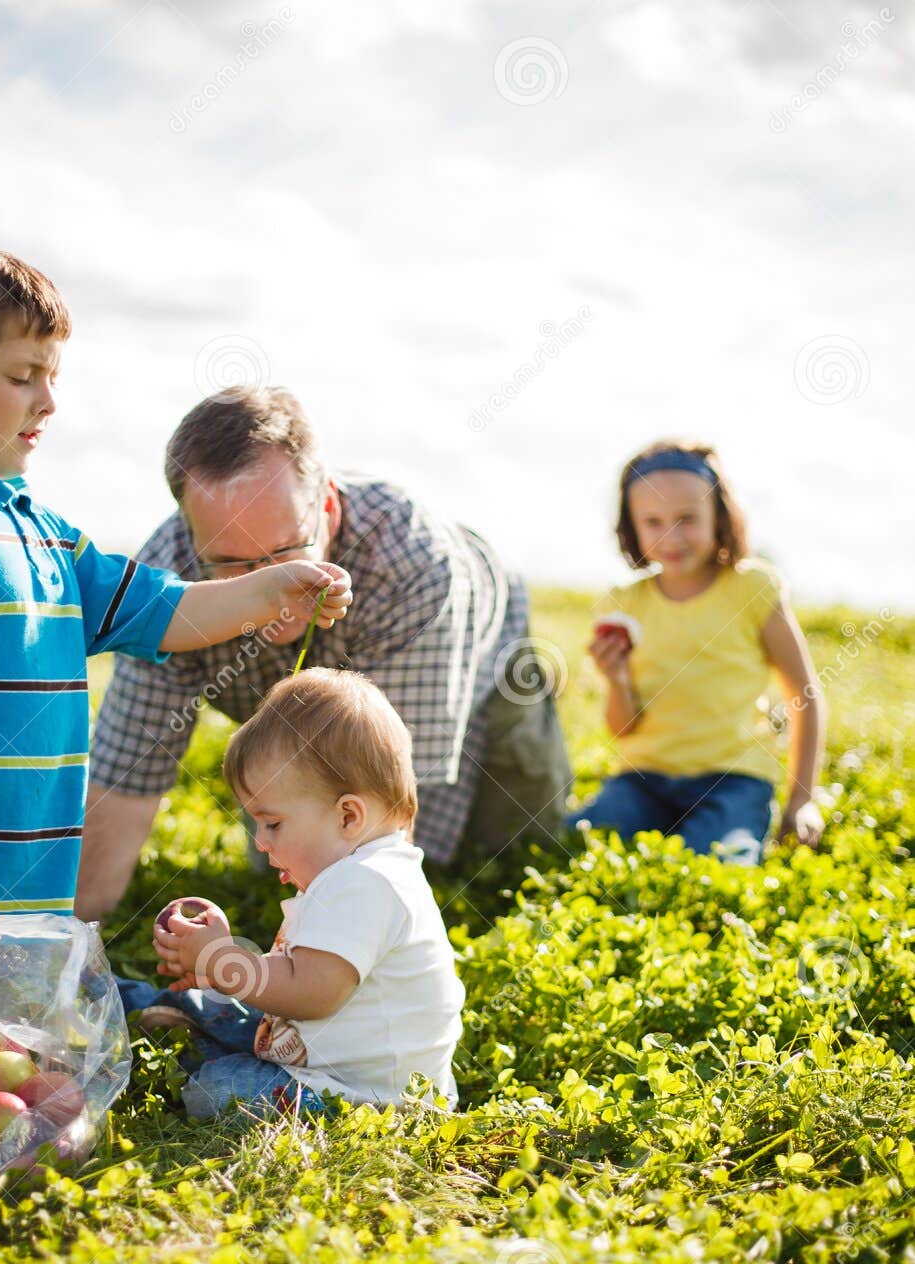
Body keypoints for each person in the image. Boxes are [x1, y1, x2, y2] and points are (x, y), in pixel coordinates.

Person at [0, 241, 350, 940]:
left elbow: (168, 610)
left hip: (25, 904)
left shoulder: (47, 535)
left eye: (51, 377)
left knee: (1, 1048)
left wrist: (272, 588)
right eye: (24, 376)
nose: (48, 401)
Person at [76, 386, 571, 920]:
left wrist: (334, 955)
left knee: (509, 847)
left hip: (480, 658)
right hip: (293, 703)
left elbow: (392, 804)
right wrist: (71, 939)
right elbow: (124, 778)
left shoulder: (413, 563)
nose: (266, 588)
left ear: (328, 506)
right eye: (230, 564)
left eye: (285, 552)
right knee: (284, 857)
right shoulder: (168, 578)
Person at [145, 669, 465, 1120]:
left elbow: (313, 993)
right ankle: (157, 1012)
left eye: (272, 823)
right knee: (214, 1009)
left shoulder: (366, 882)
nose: (260, 840)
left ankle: (174, 1044)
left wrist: (222, 962)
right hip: (313, 1053)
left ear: (348, 817)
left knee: (216, 1088)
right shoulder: (361, 871)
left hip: (364, 1099)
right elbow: (299, 974)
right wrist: (219, 966)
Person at [568, 441, 825, 864]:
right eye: (653, 521)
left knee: (720, 861)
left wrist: (802, 800)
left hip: (733, 780)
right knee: (581, 848)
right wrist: (615, 679)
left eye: (687, 519)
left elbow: (805, 695)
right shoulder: (623, 604)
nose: (671, 536)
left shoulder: (753, 589)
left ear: (719, 517)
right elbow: (622, 728)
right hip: (643, 778)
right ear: (632, 528)